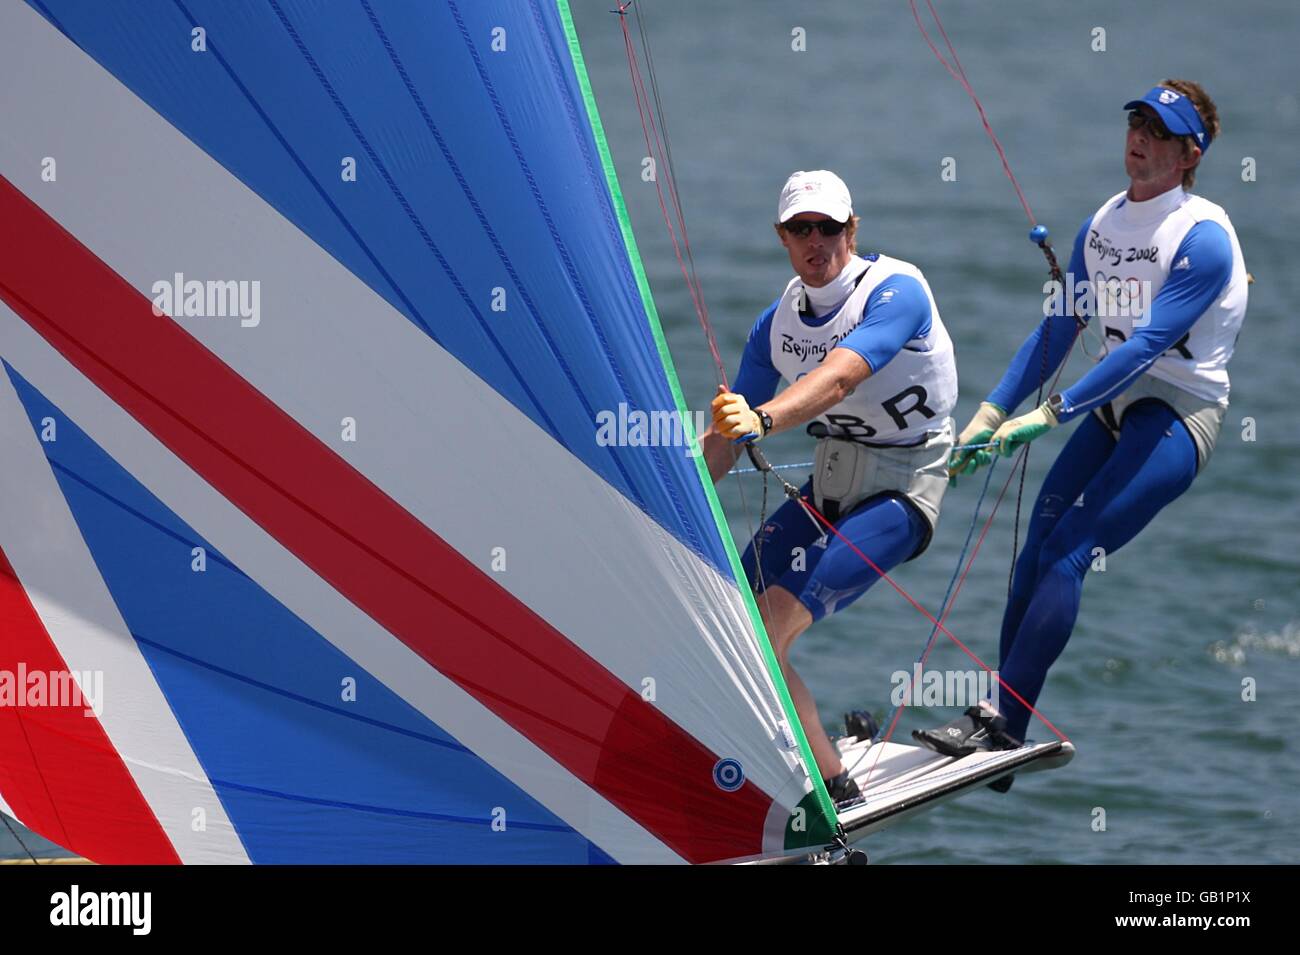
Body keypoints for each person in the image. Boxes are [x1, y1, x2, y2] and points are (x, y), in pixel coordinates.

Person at [915, 80, 1248, 768]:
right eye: (1135, 121)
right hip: (1114, 402)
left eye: (1158, 130)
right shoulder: (1100, 225)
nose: (1140, 136)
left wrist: (1049, 414)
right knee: (1035, 548)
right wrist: (992, 413)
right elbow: (1060, 326)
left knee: (1073, 548)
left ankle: (1004, 718)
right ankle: (1000, 738)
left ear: (1189, 154)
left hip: (1180, 411)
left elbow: (1147, 345)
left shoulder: (1204, 237)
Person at [701, 170, 958, 806]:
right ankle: (814, 762)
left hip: (903, 491)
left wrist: (762, 418)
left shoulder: (898, 290)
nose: (817, 241)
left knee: (765, 628)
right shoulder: (775, 325)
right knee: (730, 625)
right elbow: (724, 447)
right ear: (782, 237)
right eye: (801, 229)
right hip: (829, 487)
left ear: (853, 230)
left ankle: (833, 793)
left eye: (830, 228)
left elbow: (841, 377)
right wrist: (675, 474)